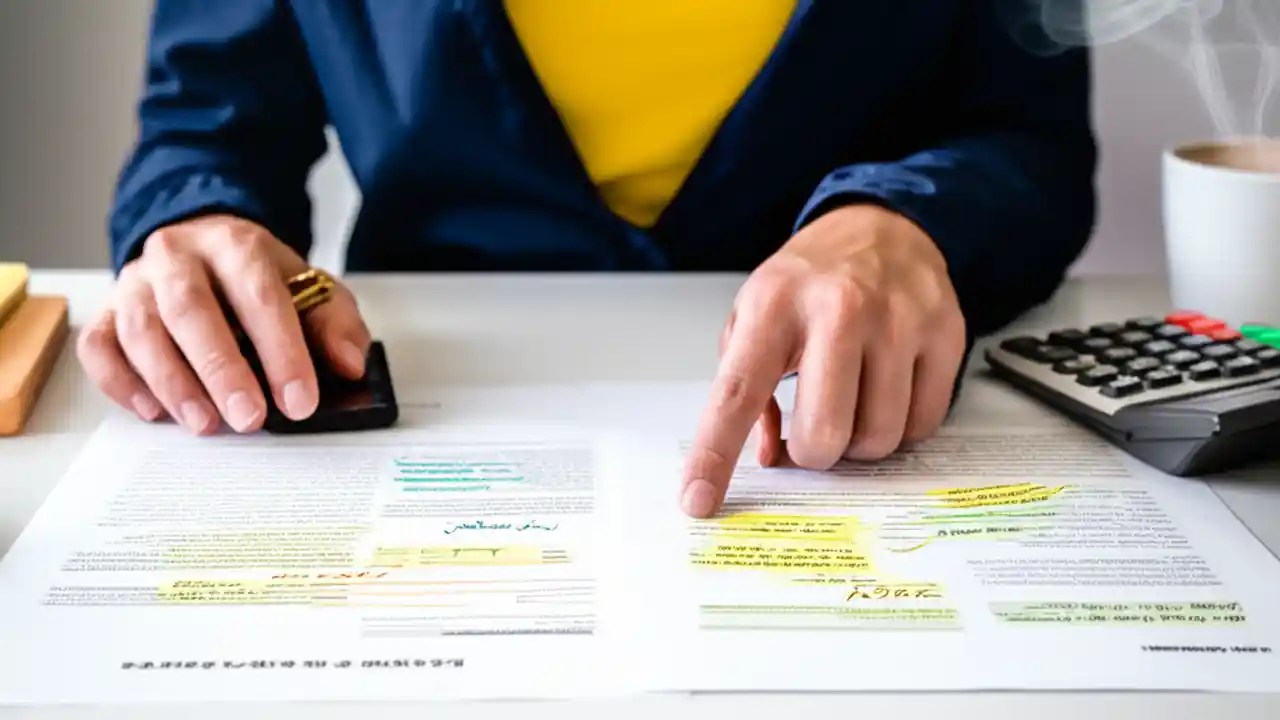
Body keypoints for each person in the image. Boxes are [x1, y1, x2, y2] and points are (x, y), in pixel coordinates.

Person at [78, 1, 1097, 519]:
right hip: (434, 405)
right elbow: (205, 128)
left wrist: (907, 219)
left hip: (853, 399)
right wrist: (195, 222)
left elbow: (1030, 141)